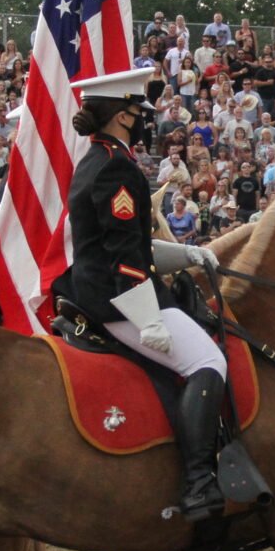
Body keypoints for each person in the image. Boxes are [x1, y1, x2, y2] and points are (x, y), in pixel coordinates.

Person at [55, 66, 227, 526]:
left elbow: (127, 244)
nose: (148, 121)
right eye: (141, 112)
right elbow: (124, 256)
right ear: (126, 116)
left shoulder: (93, 160)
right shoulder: (118, 167)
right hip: (117, 299)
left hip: (95, 289)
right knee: (208, 363)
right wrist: (147, 316)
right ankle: (198, 483)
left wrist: (188, 253)